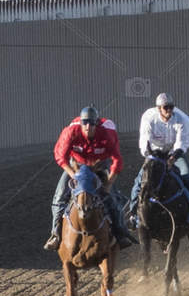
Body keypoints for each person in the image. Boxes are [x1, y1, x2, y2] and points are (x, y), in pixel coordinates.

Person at [43, 106, 135, 250]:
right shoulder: (71, 132)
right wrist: (73, 174)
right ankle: (55, 235)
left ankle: (120, 233)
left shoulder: (107, 134)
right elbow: (60, 156)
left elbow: (117, 160)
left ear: (96, 123)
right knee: (59, 196)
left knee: (111, 198)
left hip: (99, 165)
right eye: (85, 122)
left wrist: (109, 183)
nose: (88, 126)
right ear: (80, 123)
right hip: (75, 166)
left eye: (91, 123)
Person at [130, 92, 189, 231]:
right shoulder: (149, 117)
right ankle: (133, 214)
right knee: (141, 179)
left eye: (171, 107)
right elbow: (144, 141)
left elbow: (182, 143)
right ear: (158, 108)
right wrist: (151, 157)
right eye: (166, 107)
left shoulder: (183, 120)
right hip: (154, 153)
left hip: (174, 154)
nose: (169, 111)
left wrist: (173, 158)